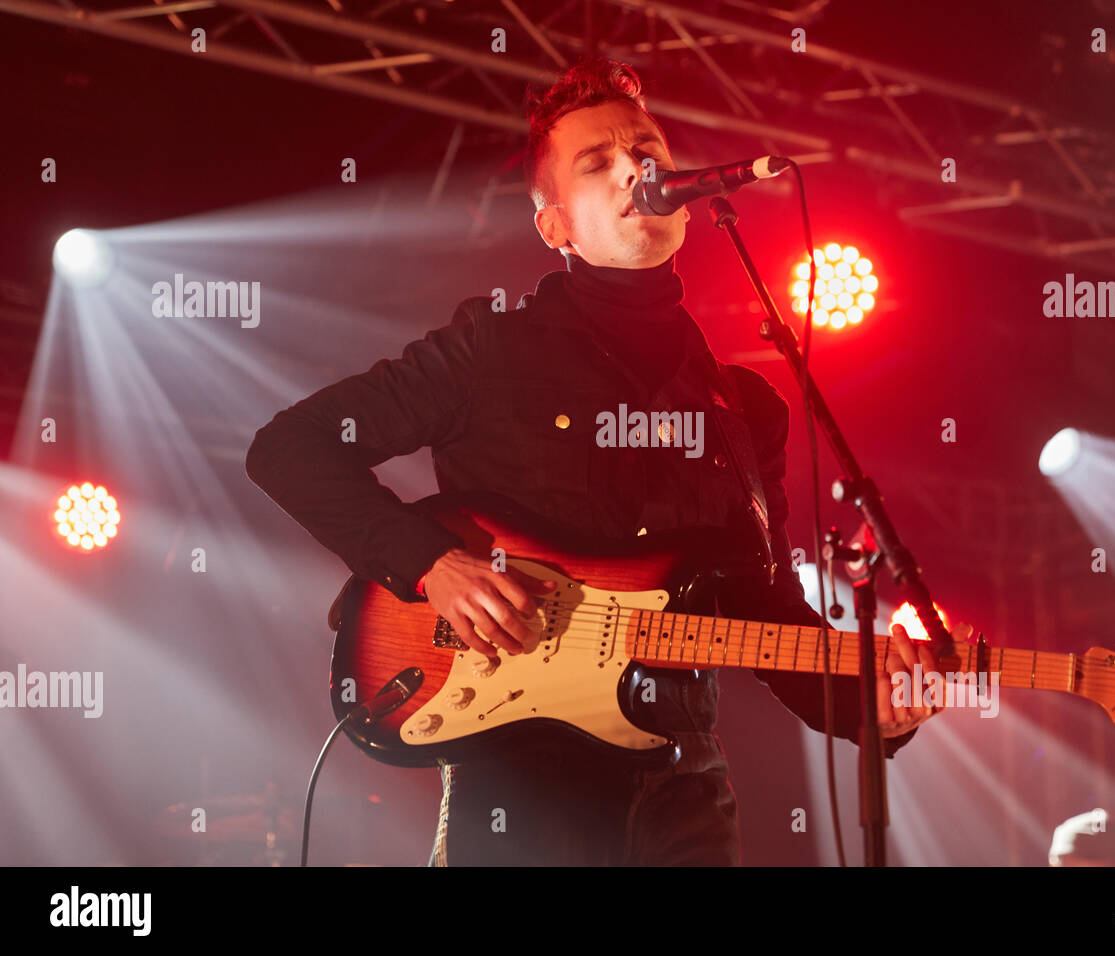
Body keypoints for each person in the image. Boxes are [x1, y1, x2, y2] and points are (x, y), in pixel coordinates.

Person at [245, 57, 946, 866]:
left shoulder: (744, 408)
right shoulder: (491, 349)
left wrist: (874, 707)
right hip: (523, 781)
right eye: (598, 162)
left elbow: (765, 614)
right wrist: (432, 564)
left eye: (646, 149)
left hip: (684, 787)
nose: (636, 167)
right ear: (556, 227)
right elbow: (288, 449)